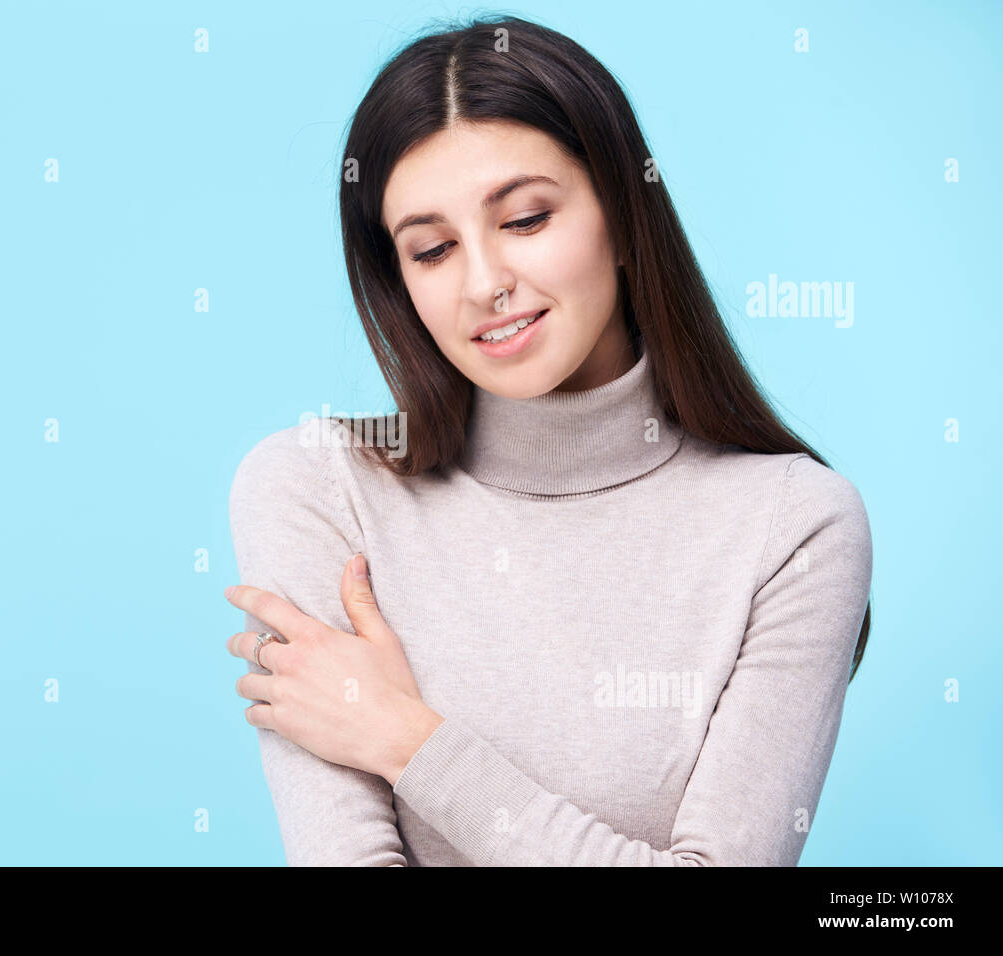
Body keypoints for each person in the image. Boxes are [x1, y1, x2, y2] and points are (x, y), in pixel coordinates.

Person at [225, 14, 874, 866]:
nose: (486, 283)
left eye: (526, 220)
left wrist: (406, 741)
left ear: (622, 214)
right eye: (432, 250)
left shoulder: (795, 525)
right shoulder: (317, 486)